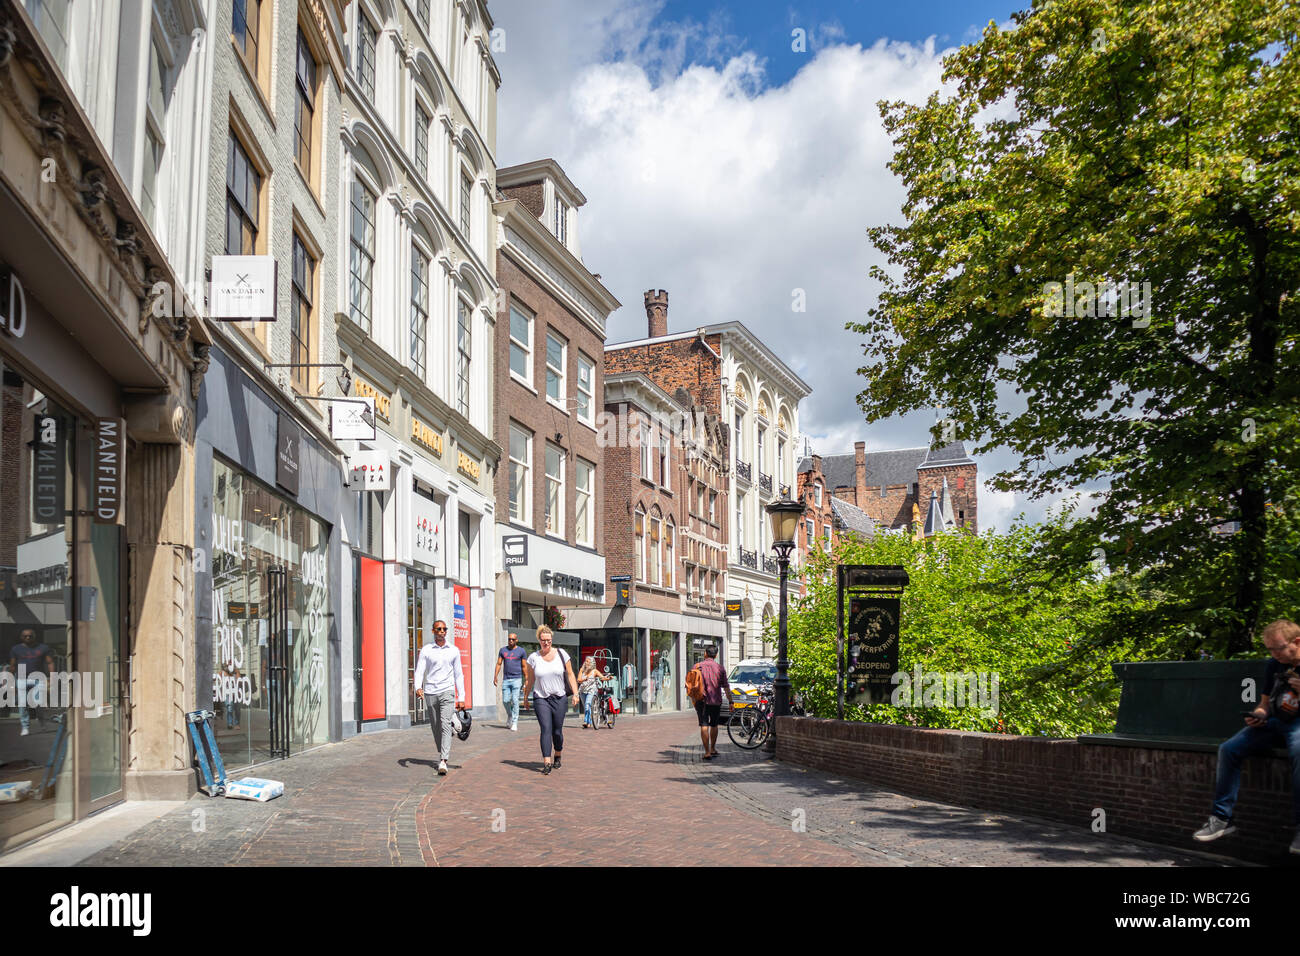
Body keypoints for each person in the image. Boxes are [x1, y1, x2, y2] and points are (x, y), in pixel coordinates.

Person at [1192, 618, 1300, 855]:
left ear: (1297, 642)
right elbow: (1264, 704)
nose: (1274, 654)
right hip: (1275, 722)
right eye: (1269, 649)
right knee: (1229, 748)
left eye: (1278, 648)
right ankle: (1222, 819)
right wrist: (1257, 715)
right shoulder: (1275, 665)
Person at [413, 619, 466, 775]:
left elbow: (458, 675)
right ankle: (443, 747)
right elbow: (419, 670)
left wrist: (461, 696)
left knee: (443, 724)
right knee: (436, 726)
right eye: (439, 629)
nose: (442, 631)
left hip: (447, 691)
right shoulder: (427, 650)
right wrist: (418, 687)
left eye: (444, 629)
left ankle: (443, 760)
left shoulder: (454, 650)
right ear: (433, 631)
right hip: (430, 692)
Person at [522, 626, 578, 774]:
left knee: (557, 731)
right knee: (546, 729)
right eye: (543, 640)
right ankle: (547, 761)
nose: (546, 643)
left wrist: (576, 693)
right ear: (539, 641)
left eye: (548, 640)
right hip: (541, 698)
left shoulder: (562, 654)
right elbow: (530, 679)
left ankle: (557, 754)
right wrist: (526, 697)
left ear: (551, 640)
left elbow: (571, 674)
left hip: (559, 698)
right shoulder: (533, 658)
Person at [8, 628, 54, 737]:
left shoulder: (43, 648)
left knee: (39, 704)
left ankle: (42, 723)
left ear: (34, 636)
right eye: (25, 636)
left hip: (39, 678)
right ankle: (25, 727)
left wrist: (52, 677)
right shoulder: (16, 649)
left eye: (30, 636)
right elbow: (13, 666)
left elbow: (50, 662)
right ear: (21, 637)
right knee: (23, 704)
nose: (28, 637)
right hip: (22, 678)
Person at [691, 645, 731, 759]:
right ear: (716, 655)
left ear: (705, 653)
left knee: (704, 725)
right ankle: (713, 748)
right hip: (716, 700)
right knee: (714, 724)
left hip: (701, 701)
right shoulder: (720, 668)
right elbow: (726, 687)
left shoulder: (697, 666)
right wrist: (731, 702)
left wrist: (693, 701)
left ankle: (707, 752)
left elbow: (692, 686)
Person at [493, 631, 527, 731]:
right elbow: (499, 664)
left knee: (515, 700)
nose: (511, 641)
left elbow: (524, 666)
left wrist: (527, 679)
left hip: (517, 679)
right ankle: (510, 715)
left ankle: (515, 722)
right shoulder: (503, 650)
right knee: (505, 700)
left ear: (516, 640)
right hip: (506, 680)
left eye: (513, 639)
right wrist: (495, 676)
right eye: (509, 639)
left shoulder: (521, 651)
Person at [577, 655, 610, 728]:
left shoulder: (594, 671)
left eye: (588, 661)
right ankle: (589, 722)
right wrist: (584, 679)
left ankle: (585, 721)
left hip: (591, 690)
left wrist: (608, 678)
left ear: (591, 663)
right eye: (586, 661)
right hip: (582, 691)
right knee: (587, 707)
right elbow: (578, 680)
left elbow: (602, 677)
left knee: (587, 705)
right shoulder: (582, 670)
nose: (586, 663)